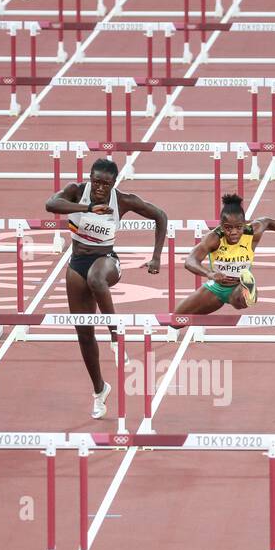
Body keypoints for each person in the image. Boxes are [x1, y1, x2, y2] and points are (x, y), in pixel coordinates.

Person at [44, 157, 166, 419]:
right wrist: (87, 207)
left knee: (96, 279)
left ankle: (116, 337)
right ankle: (99, 390)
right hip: (77, 263)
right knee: (84, 333)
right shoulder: (77, 191)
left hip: (107, 261)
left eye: (105, 184)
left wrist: (156, 256)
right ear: (90, 179)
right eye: (96, 182)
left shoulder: (122, 200)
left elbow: (160, 216)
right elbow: (50, 204)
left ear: (114, 183)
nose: (99, 188)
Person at [175, 193, 275, 317]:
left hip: (239, 286)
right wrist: (209, 273)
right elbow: (190, 261)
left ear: (244, 224)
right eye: (228, 228)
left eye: (238, 227)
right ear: (221, 226)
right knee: (176, 319)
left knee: (239, 300)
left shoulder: (252, 231)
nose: (234, 232)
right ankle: (238, 295)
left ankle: (248, 290)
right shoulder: (214, 238)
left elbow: (268, 222)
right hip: (215, 287)